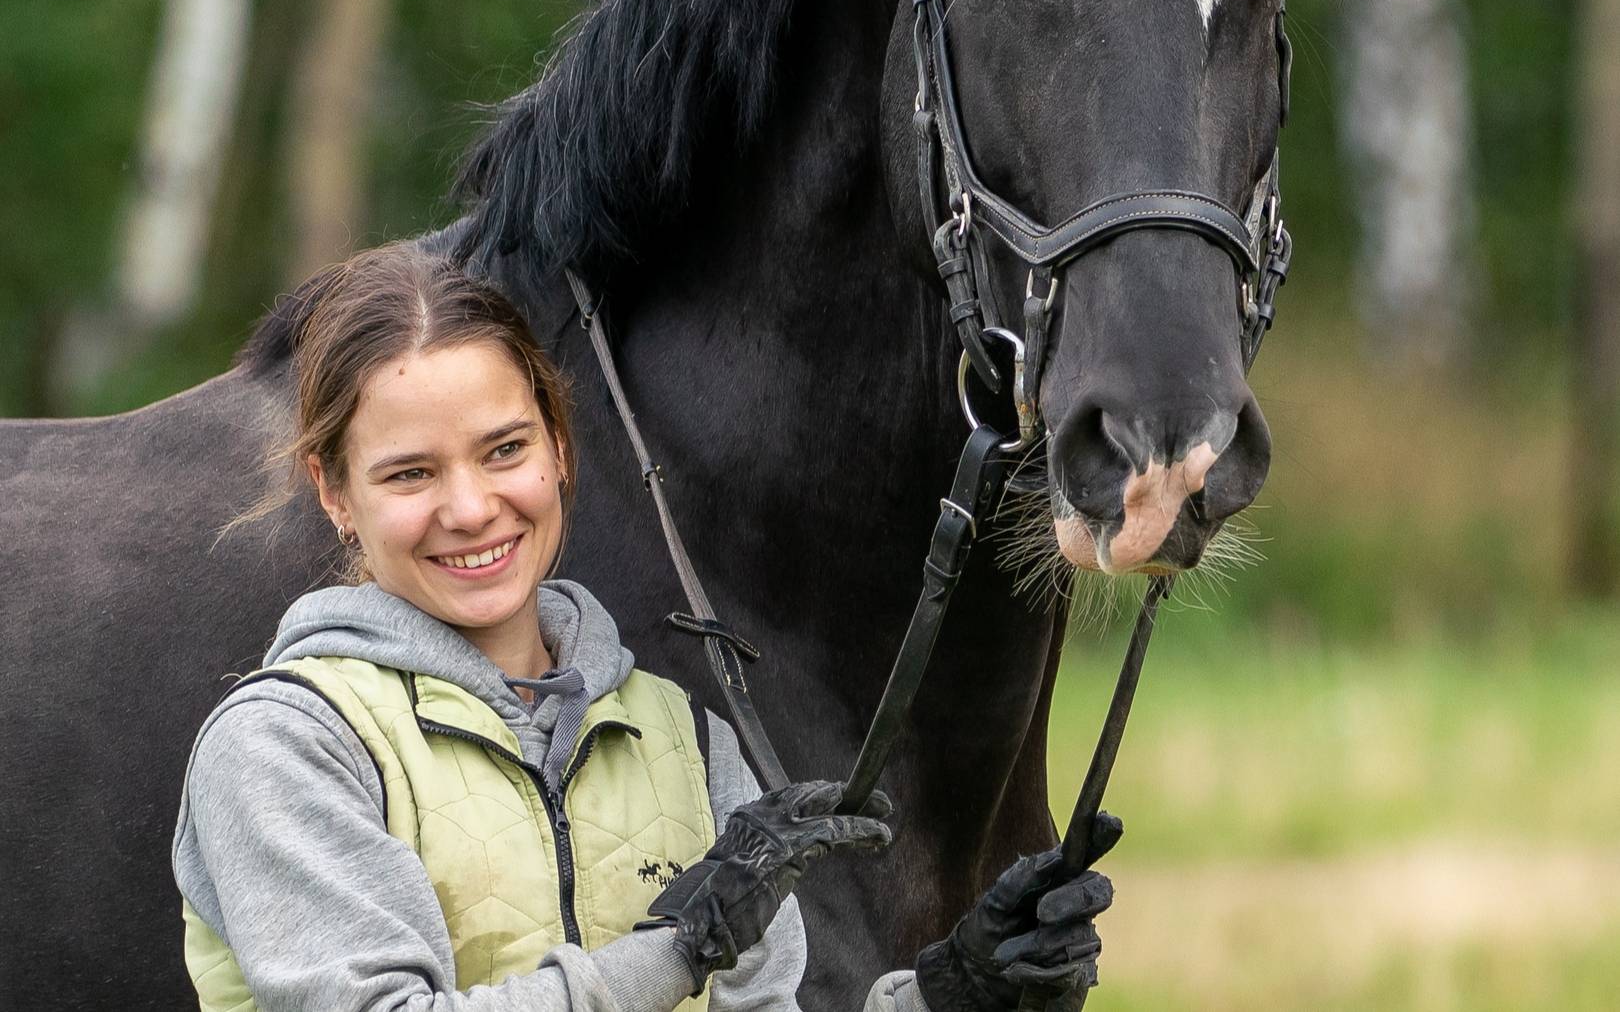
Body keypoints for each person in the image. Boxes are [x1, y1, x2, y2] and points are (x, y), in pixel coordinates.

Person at [173, 243, 1117, 1011]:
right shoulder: (284, 749)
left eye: (504, 450)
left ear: (558, 446)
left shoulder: (682, 737)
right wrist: (681, 949)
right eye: (410, 474)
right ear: (334, 493)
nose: (470, 508)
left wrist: (954, 993)